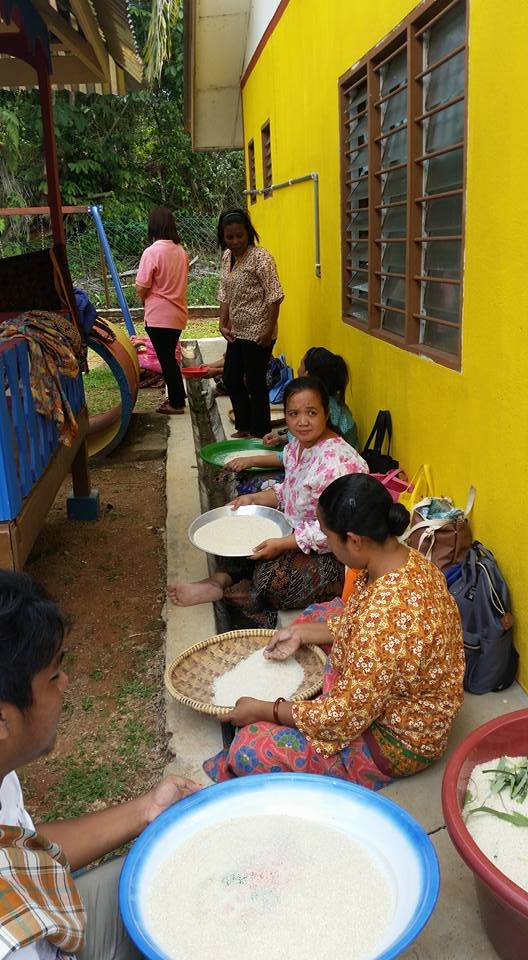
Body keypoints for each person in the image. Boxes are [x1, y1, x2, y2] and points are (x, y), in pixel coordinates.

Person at [203, 473, 465, 784]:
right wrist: (302, 633)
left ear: (354, 540)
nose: (327, 543)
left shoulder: (385, 622)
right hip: (394, 679)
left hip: (402, 737)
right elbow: (358, 621)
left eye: (328, 536)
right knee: (315, 616)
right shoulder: (406, 560)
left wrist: (265, 710)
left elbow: (339, 718)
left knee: (249, 748)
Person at [0, 570, 199, 960]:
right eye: (53, 675)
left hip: (50, 917)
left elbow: (26, 849)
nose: (66, 683)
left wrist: (147, 810)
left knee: (186, 868)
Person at [169, 376, 368, 626]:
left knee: (273, 579)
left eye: (311, 413)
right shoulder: (299, 447)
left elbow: (341, 529)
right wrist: (254, 499)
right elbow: (289, 491)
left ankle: (242, 592)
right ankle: (218, 581)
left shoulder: (337, 462)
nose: (302, 422)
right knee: (239, 520)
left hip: (336, 551)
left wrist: (284, 543)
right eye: (294, 414)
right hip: (295, 532)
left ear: (326, 413)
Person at [225, 346, 359, 473]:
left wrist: (251, 461)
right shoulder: (326, 404)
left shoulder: (331, 460)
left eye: (301, 363)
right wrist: (282, 438)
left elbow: (289, 458)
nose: (302, 422)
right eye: (293, 414)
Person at [218, 208, 284, 439]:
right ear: (223, 237)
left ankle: (260, 432)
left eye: (240, 235)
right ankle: (243, 426)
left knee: (255, 383)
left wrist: (268, 331)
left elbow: (275, 296)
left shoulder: (261, 258)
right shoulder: (227, 257)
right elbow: (225, 292)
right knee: (231, 379)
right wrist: (222, 322)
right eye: (230, 237)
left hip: (258, 332)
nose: (235, 241)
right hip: (236, 331)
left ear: (248, 233)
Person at [135, 207, 189, 416]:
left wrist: (143, 296)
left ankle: (176, 402)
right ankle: (178, 396)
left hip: (158, 315)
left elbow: (141, 285)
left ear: (153, 226)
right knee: (169, 358)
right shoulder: (181, 251)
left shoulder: (152, 252)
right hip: (177, 314)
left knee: (167, 360)